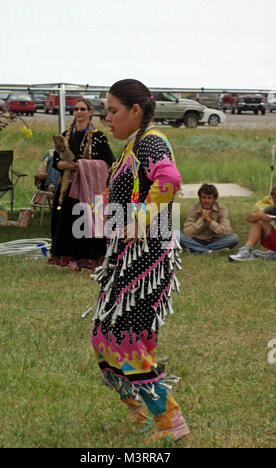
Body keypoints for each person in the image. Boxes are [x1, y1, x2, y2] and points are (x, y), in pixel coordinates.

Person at [90, 79, 190, 443]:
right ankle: (141, 408)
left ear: (136, 111)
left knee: (123, 340)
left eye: (113, 111)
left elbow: (170, 180)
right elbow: (128, 192)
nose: (108, 118)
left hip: (148, 256)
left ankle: (169, 419)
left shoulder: (151, 141)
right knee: (104, 337)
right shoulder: (132, 146)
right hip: (125, 255)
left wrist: (142, 218)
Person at [49, 98, 115, 268]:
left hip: (89, 188)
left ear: (90, 112)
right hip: (67, 184)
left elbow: (109, 162)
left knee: (86, 221)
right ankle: (68, 257)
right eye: (76, 109)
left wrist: (83, 166)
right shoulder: (65, 136)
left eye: (82, 109)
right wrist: (65, 165)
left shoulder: (98, 137)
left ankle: (88, 258)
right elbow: (55, 161)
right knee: (66, 221)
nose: (78, 112)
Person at [180, 184, 239, 253]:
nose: (206, 201)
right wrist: (201, 220)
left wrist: (210, 221)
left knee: (234, 238)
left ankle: (197, 249)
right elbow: (187, 233)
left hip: (215, 240)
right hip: (197, 239)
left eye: (209, 198)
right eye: (204, 197)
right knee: (177, 234)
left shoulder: (221, 208)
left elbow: (226, 232)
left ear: (214, 199)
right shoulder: (193, 208)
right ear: (200, 198)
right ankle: (210, 251)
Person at [229, 186, 276, 261]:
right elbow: (248, 218)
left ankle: (265, 255)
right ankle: (246, 251)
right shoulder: (273, 208)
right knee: (259, 221)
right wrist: (260, 216)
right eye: (275, 201)